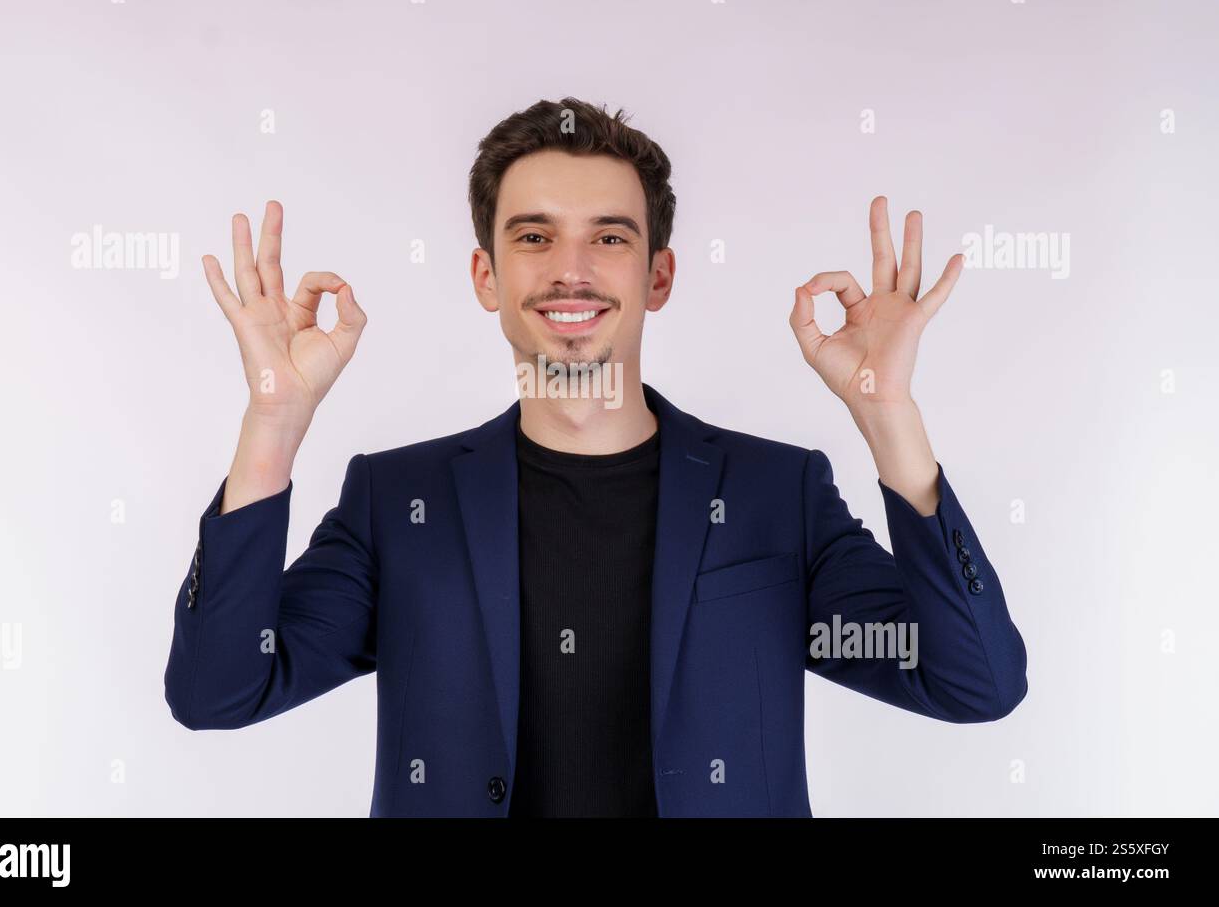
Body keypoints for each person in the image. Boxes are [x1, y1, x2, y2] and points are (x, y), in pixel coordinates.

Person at [163, 97, 1027, 817]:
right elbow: (218, 692)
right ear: (486, 277)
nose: (570, 271)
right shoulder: (398, 501)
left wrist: (888, 417)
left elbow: (972, 682)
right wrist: (273, 424)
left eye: (609, 238)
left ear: (658, 275)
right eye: (534, 237)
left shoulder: (776, 496)